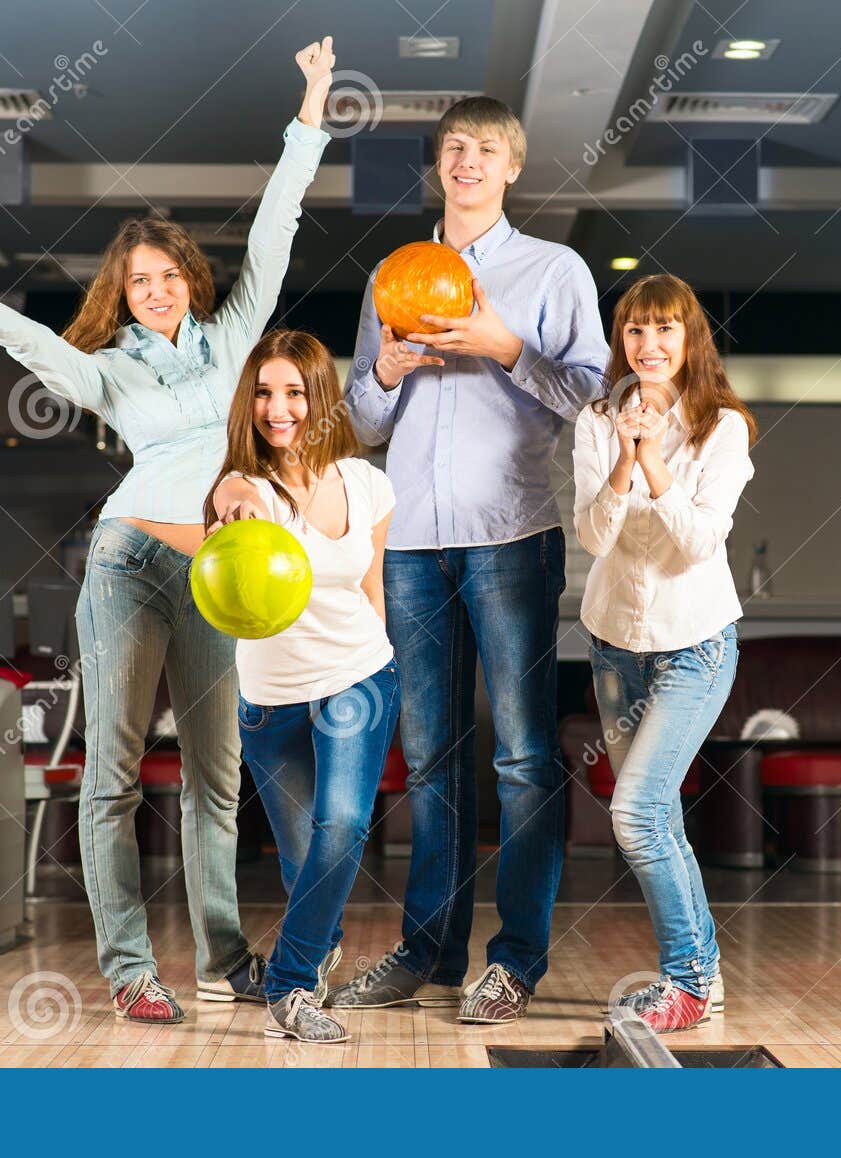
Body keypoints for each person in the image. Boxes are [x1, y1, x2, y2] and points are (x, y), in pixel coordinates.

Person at [0, 38, 337, 1024]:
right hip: (130, 562)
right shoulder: (110, 371)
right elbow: (30, 341)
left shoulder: (237, 338)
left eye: (167, 274)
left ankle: (224, 959)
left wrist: (310, 107)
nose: (156, 289)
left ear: (189, 278)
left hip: (218, 576)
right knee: (115, 777)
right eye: (138, 282)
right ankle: (131, 969)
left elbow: (276, 225)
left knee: (217, 780)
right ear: (123, 295)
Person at [332, 96, 609, 1023]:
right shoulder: (393, 275)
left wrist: (506, 348)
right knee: (430, 759)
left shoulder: (553, 270)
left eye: (486, 148)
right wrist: (384, 373)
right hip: (411, 543)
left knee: (525, 756)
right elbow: (360, 422)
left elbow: (596, 400)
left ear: (512, 167)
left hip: (512, 536)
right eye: (455, 146)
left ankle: (516, 960)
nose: (468, 160)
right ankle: (428, 953)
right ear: (439, 162)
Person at [573, 273, 756, 1033]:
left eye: (665, 329)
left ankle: (685, 980)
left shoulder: (722, 428)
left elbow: (699, 542)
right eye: (635, 330)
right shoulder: (596, 420)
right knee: (658, 817)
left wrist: (653, 459)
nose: (648, 345)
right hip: (615, 646)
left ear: (690, 339)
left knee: (638, 812)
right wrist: (623, 455)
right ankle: (703, 975)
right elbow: (593, 537)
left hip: (694, 647)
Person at [204, 330, 397, 1044]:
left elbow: (372, 583)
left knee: (340, 825)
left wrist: (387, 664)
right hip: (271, 698)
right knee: (299, 853)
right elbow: (230, 493)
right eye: (262, 393)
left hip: (358, 678)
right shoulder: (246, 488)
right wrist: (236, 502)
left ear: (320, 397)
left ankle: (288, 985)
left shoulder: (369, 485)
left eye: (292, 392)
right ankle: (320, 947)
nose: (277, 408)